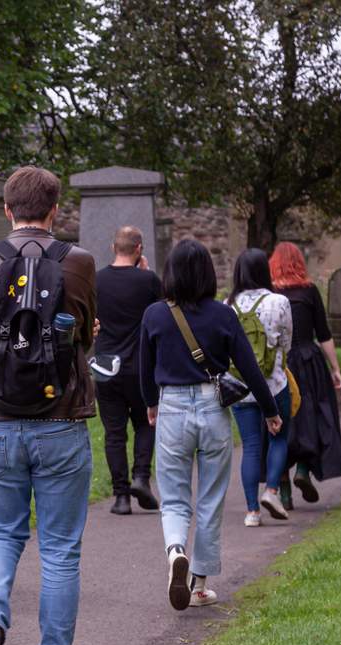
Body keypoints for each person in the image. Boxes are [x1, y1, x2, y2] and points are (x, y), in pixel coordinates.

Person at [0, 165, 97, 645]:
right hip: (60, 420)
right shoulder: (80, 263)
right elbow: (85, 333)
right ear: (56, 210)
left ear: (6, 208)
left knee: (0, 535)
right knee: (61, 550)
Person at [138, 239, 279, 611]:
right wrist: (270, 410)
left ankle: (175, 552)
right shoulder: (224, 315)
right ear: (207, 273)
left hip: (171, 405)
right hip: (212, 407)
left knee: (172, 495)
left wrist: (151, 405)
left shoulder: (154, 315)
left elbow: (144, 369)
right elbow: (248, 367)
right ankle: (199, 585)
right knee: (210, 498)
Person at [269, 241, 341, 506]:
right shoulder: (309, 291)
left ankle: (285, 492)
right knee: (309, 416)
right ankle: (303, 470)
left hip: (279, 362)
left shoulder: (270, 293)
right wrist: (335, 368)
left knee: (278, 421)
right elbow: (323, 333)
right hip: (308, 360)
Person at [93, 225, 163, 515]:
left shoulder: (96, 280)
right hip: (140, 366)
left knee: (113, 433)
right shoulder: (148, 281)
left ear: (113, 248)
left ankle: (121, 497)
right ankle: (141, 477)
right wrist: (145, 272)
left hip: (106, 367)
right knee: (146, 423)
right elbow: (161, 318)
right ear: (139, 249)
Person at [226, 249, 293, 527]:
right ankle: (273, 490)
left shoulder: (228, 304)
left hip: (240, 386)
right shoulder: (279, 301)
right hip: (274, 382)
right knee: (279, 437)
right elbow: (288, 342)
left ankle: (252, 511)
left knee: (251, 446)